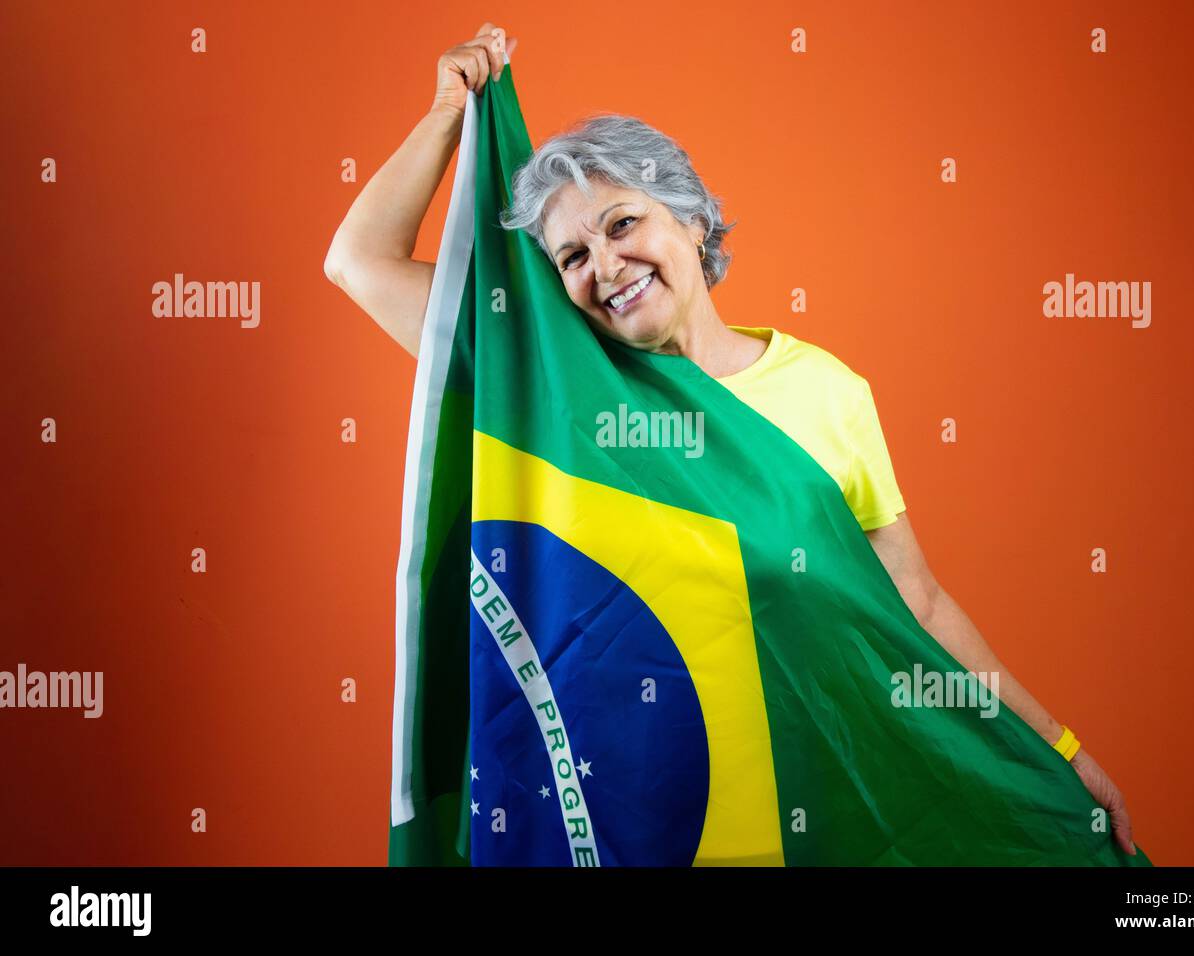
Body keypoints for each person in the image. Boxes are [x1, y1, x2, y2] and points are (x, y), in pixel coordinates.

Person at [324, 21, 1138, 857]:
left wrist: (1057, 748)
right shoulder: (552, 390)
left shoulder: (826, 392)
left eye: (621, 224)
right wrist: (446, 115)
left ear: (695, 223)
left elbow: (917, 606)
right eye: (570, 255)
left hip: (803, 802)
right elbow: (357, 261)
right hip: (632, 822)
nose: (604, 266)